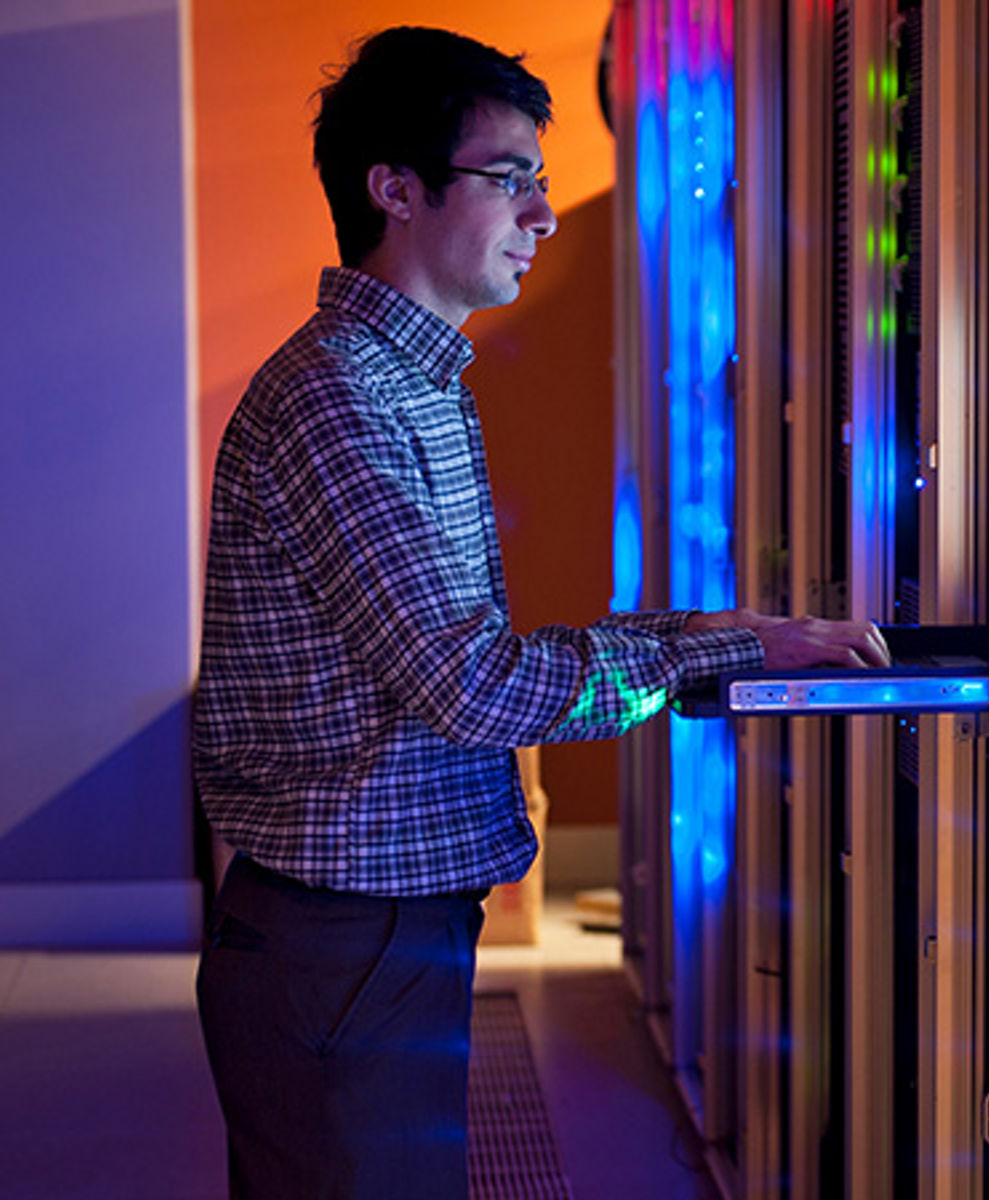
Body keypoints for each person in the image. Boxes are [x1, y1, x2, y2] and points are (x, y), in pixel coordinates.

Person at [191, 26, 888, 1200]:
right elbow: (471, 686)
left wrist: (700, 640)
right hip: (345, 938)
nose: (544, 213)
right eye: (509, 178)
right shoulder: (344, 403)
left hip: (370, 930)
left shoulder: (406, 383)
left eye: (542, 179)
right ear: (395, 190)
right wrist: (715, 647)